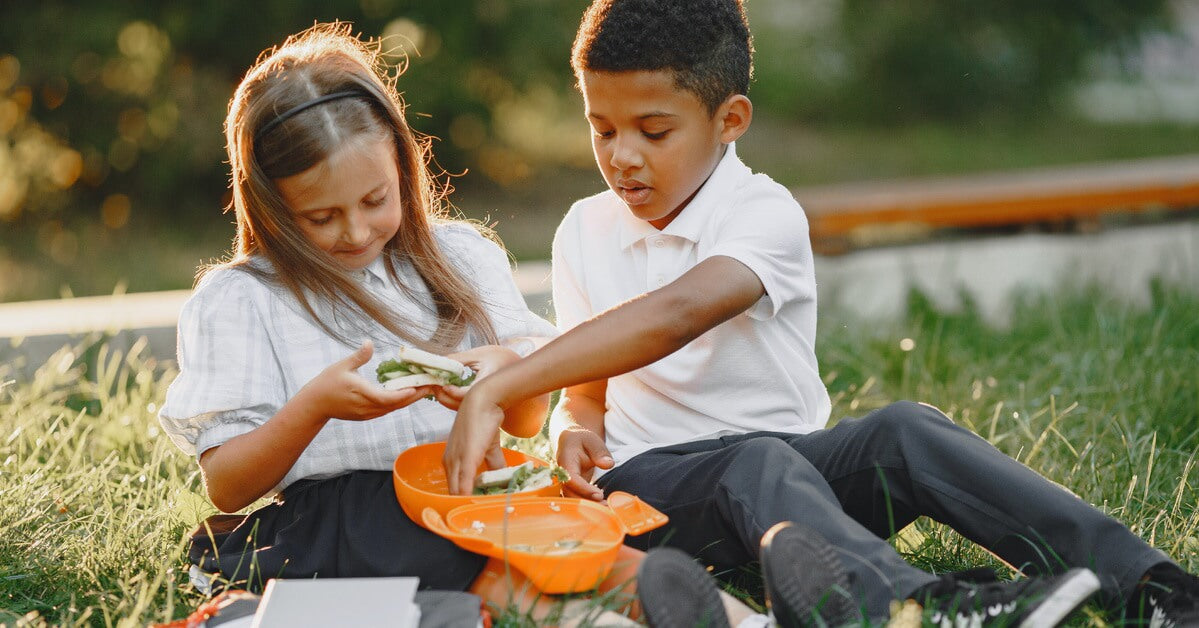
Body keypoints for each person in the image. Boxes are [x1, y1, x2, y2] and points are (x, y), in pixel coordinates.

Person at [443, 1, 1199, 626]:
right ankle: (911, 609)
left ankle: (1155, 591)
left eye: (653, 130)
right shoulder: (583, 228)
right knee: (751, 460)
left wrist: (502, 384)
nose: (621, 156)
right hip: (651, 491)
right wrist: (576, 426)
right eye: (600, 129)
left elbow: (677, 314)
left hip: (794, 485)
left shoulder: (763, 213)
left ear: (729, 118)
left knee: (904, 430)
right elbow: (588, 389)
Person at [156, 22, 786, 627]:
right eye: (320, 217)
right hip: (341, 516)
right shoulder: (242, 299)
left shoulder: (458, 256)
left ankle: (742, 620)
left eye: (375, 200)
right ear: (269, 204)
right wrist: (316, 406)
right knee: (454, 550)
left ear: (403, 167)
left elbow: (528, 420)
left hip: (474, 497)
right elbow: (228, 485)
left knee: (572, 543)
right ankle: (584, 619)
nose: (355, 231)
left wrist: (505, 375)